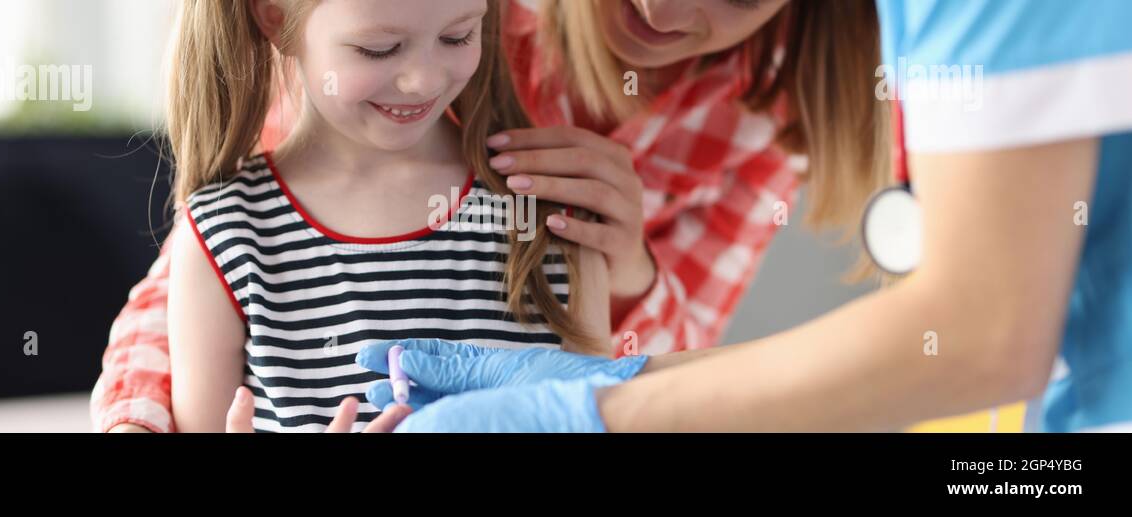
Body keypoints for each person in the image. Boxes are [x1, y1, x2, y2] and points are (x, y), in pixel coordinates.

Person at [93, 0, 889, 433]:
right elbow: (193, 294)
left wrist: (632, 276)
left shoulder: (767, 120)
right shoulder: (254, 210)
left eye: (456, 36)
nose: (665, 7)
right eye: (381, 49)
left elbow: (657, 397)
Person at [357, 0, 1132, 433]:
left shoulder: (771, 104)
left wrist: (592, 407)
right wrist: (611, 387)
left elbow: (984, 335)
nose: (663, 8)